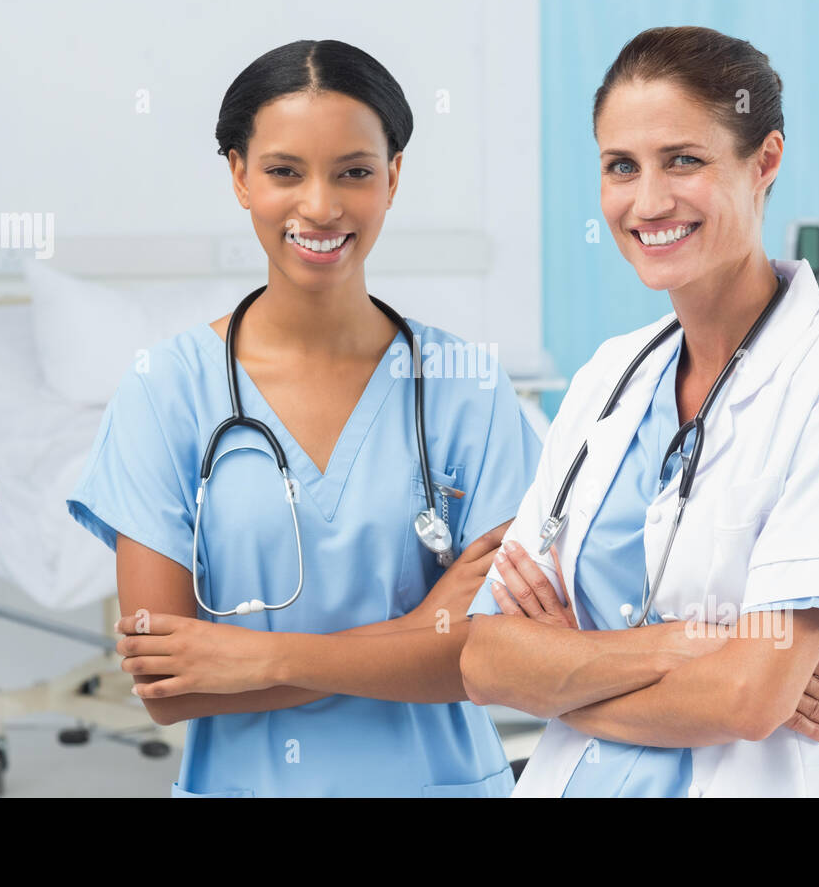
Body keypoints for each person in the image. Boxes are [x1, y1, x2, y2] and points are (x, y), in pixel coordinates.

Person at [459, 25, 819, 797]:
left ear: (764, 162)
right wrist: (682, 648)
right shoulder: (607, 378)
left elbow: (748, 700)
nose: (648, 201)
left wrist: (568, 668)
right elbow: (483, 663)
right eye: (622, 167)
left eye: (684, 160)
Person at [67, 39, 541, 797]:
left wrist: (261, 659)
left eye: (354, 171)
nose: (320, 207)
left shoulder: (465, 386)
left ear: (392, 177)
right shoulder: (167, 392)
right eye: (285, 172)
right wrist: (423, 631)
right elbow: (171, 688)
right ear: (239, 176)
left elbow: (502, 657)